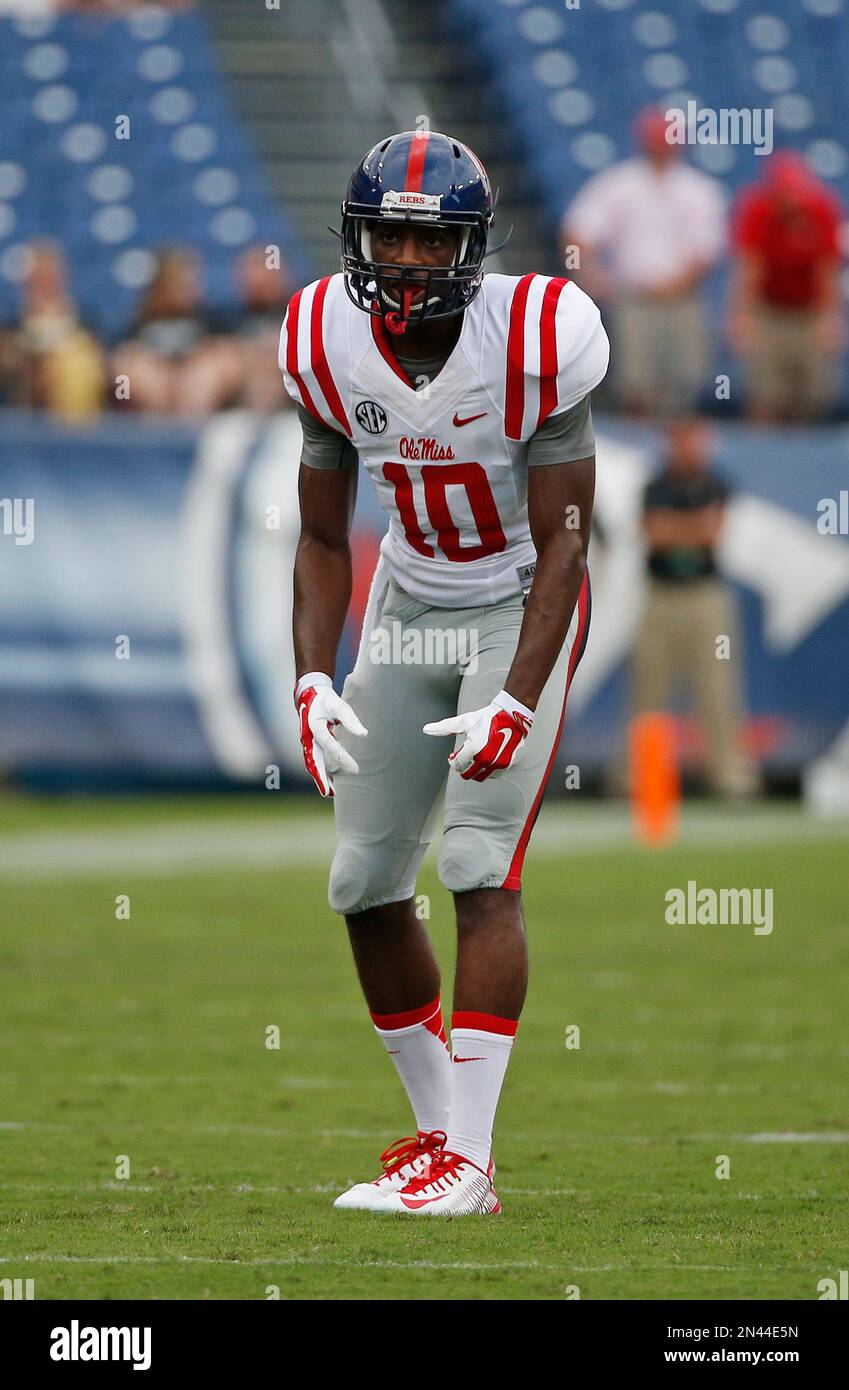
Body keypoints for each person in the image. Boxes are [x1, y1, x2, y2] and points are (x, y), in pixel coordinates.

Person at [283, 130, 608, 1217]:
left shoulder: (533, 334)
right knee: (362, 884)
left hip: (518, 599)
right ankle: (438, 1142)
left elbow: (568, 537)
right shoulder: (324, 338)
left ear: (470, 249)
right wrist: (311, 676)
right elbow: (324, 537)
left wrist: (516, 694)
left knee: (477, 862)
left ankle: (469, 1163)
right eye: (392, 236)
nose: (408, 262)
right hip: (410, 604)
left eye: (431, 242)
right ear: (359, 236)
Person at [562, 107, 725, 416]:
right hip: (634, 298)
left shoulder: (697, 189)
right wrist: (588, 274)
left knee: (685, 383)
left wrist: (676, 283)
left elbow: (708, 250)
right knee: (636, 384)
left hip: (682, 299)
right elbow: (578, 231)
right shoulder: (621, 184)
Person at [633, 417, 758, 798]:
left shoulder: (716, 483)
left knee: (718, 688)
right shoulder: (656, 485)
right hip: (662, 595)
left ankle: (730, 778)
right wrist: (691, 528)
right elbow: (655, 535)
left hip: (705, 596)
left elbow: (712, 534)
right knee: (649, 690)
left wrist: (677, 529)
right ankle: (644, 779)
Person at [729, 152, 845, 423]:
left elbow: (826, 269)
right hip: (769, 310)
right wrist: (743, 316)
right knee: (766, 390)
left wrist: (830, 318)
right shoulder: (758, 209)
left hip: (809, 310)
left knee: (812, 391)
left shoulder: (822, 209)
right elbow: (749, 267)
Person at [112, 249, 241, 416]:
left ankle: (190, 435)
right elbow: (122, 358)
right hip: (155, 393)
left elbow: (229, 354)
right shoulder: (139, 324)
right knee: (144, 373)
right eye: (180, 283)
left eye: (192, 283)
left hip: (195, 388)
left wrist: (193, 367)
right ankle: (159, 436)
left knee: (203, 375)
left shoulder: (209, 321)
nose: (189, 289)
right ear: (160, 286)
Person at [5, 240, 104, 420]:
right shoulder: (14, 324)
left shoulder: (83, 320)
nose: (44, 281)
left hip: (76, 400)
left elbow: (115, 375)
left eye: (49, 274)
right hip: (27, 393)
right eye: (38, 275)